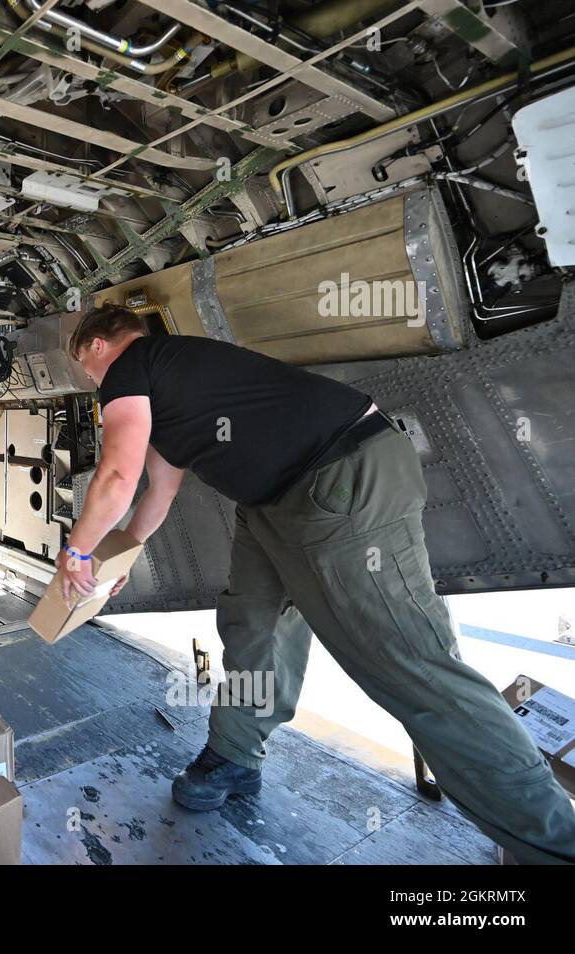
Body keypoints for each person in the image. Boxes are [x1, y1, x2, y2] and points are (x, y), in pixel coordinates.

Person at [60, 303, 575, 864]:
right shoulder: (170, 379)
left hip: (339, 481)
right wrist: (119, 558)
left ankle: (551, 843)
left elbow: (116, 475)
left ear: (96, 346)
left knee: (409, 663)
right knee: (253, 626)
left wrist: (78, 550)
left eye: (88, 369)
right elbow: (158, 489)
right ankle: (233, 755)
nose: (93, 381)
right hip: (273, 503)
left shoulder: (132, 365)